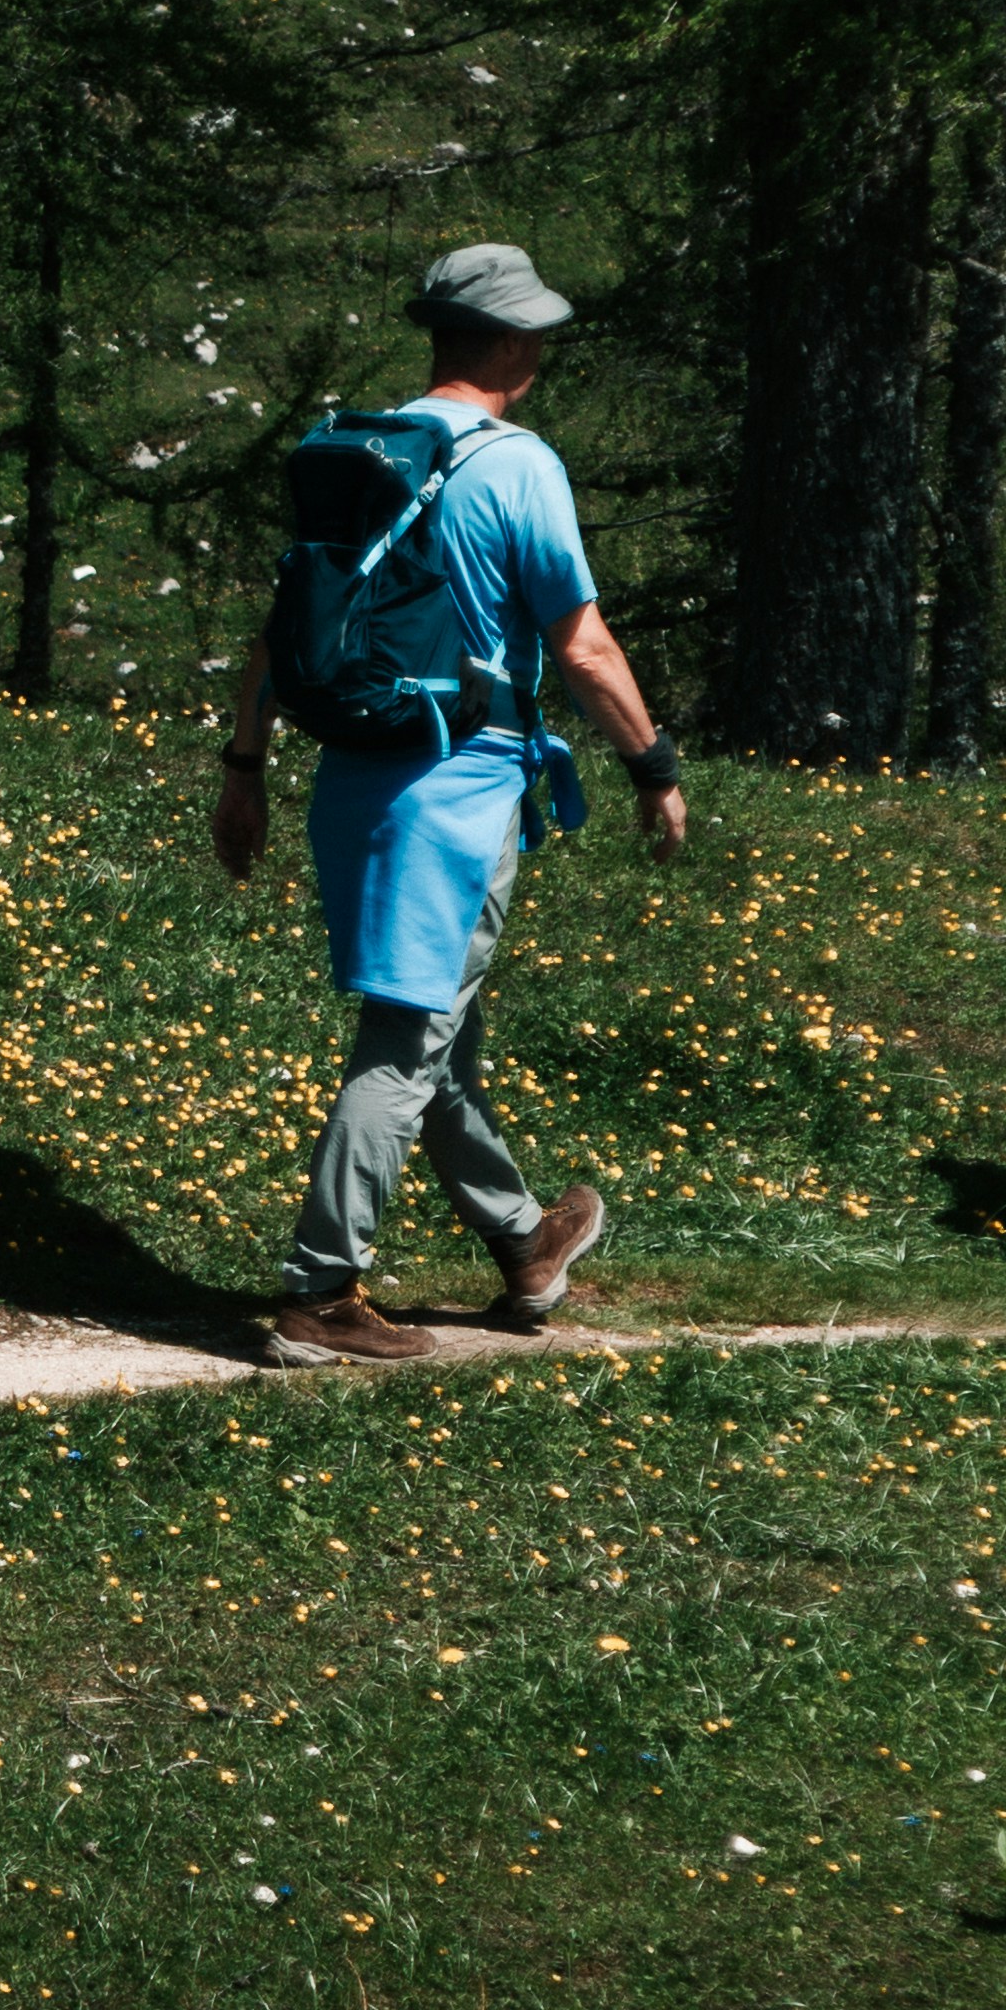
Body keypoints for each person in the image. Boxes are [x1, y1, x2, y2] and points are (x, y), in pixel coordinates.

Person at [212, 244, 687, 1368]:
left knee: (437, 1033)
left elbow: (286, 629)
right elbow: (581, 641)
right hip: (456, 789)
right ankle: (322, 1292)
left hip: (353, 781)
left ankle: (524, 1240)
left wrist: (244, 770)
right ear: (514, 344)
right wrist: (654, 766)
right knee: (404, 1040)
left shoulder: (359, 450)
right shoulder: (517, 465)